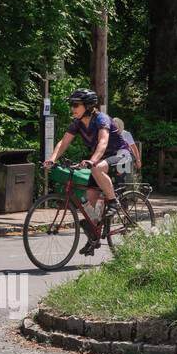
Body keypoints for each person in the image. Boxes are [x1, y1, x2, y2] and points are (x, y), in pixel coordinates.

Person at [42, 89, 125, 255]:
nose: (72, 108)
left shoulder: (101, 119)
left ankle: (114, 202)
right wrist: (51, 159)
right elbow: (63, 143)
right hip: (100, 159)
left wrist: (92, 160)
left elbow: (103, 142)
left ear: (87, 106)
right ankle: (94, 238)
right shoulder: (78, 123)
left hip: (120, 154)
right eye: (71, 105)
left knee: (97, 167)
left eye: (76, 105)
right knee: (90, 198)